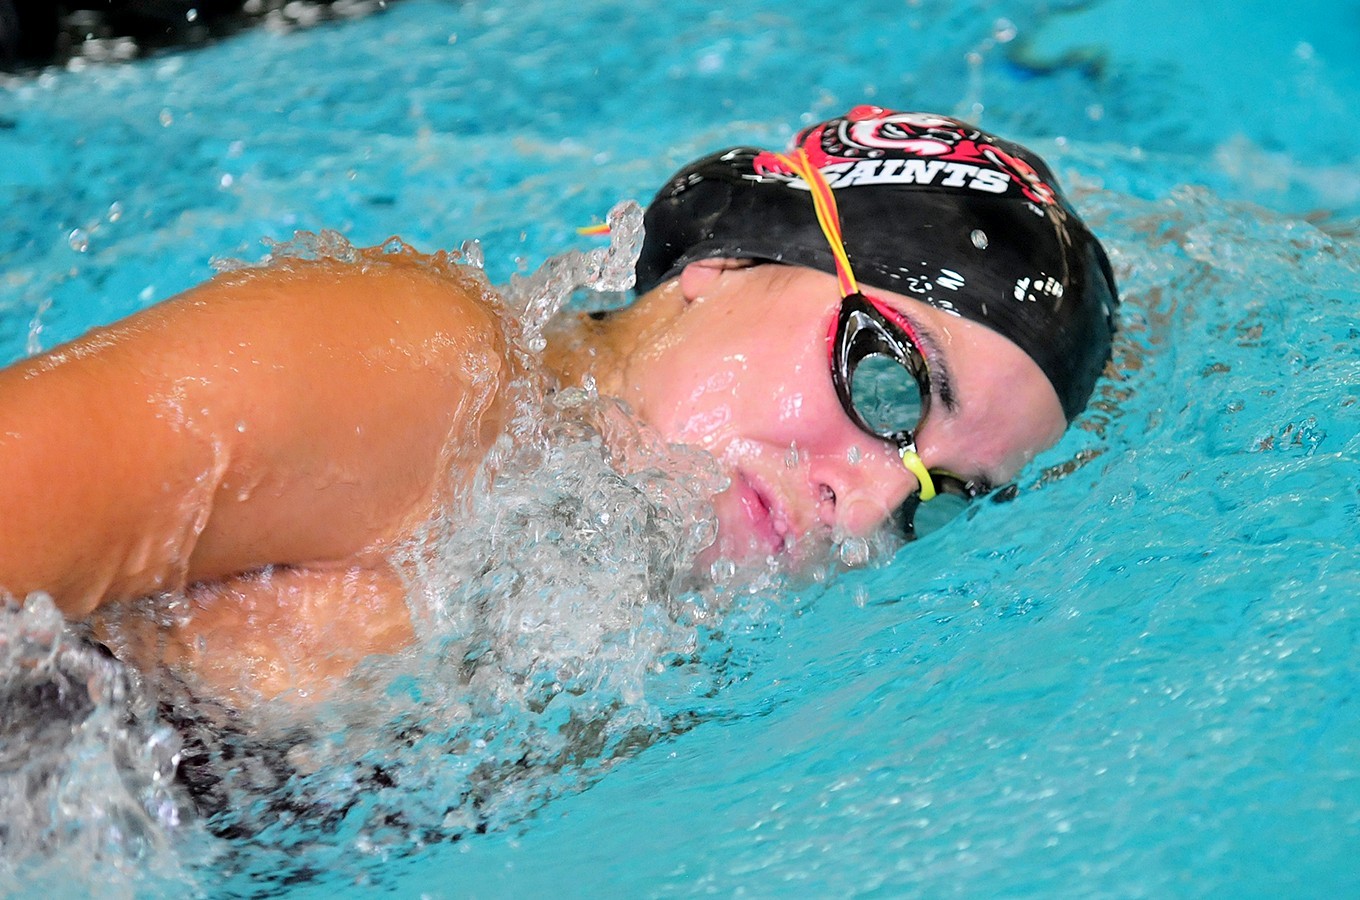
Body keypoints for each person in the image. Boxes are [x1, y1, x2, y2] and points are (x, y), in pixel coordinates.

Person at [0, 106, 1118, 702]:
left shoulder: (631, 642)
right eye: (889, 381)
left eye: (941, 496)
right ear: (718, 268)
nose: (868, 504)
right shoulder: (425, 374)